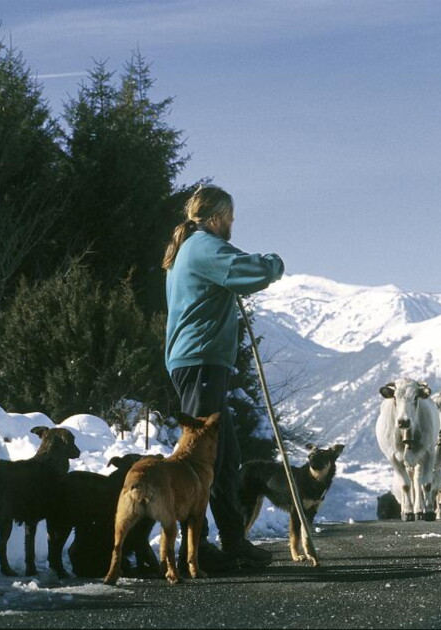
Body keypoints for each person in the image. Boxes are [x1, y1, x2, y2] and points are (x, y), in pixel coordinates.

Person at [160, 184, 285, 570]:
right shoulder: (203, 246)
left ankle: (231, 541)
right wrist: (274, 262)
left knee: (224, 455)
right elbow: (249, 270)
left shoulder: (191, 247)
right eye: (230, 216)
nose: (232, 223)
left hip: (201, 362)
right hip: (200, 362)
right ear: (216, 217)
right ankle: (193, 550)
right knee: (201, 459)